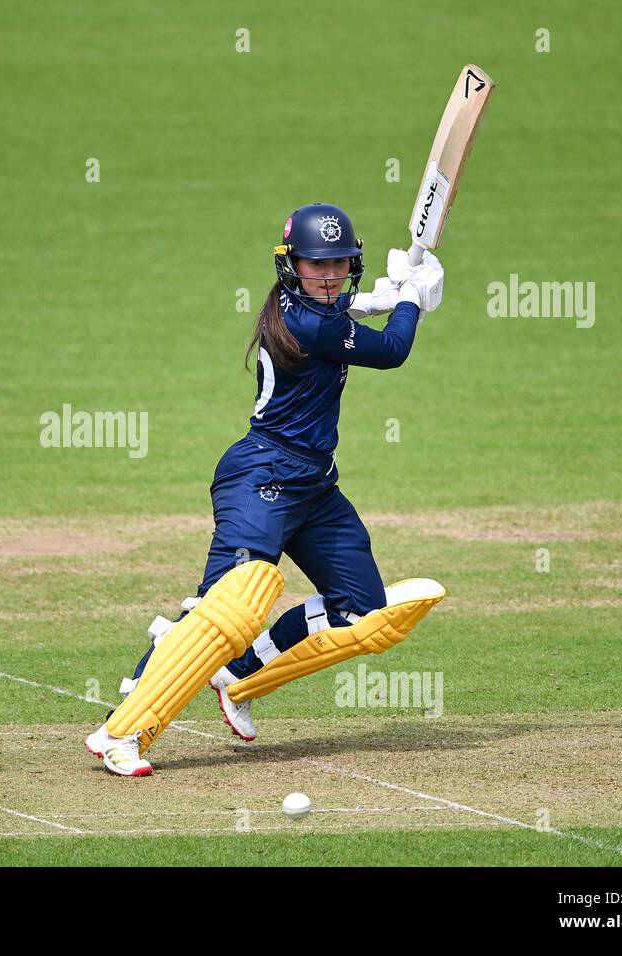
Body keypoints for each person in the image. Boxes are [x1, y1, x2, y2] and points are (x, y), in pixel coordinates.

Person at [85, 203, 446, 776]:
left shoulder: (311, 309)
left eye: (338, 265)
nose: (327, 276)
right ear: (291, 265)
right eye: (314, 265)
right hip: (261, 476)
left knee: (360, 608)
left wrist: (383, 296)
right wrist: (410, 300)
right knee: (225, 605)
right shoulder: (306, 322)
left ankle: (240, 675)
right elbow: (390, 350)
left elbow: (342, 316)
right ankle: (121, 728)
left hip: (315, 486)